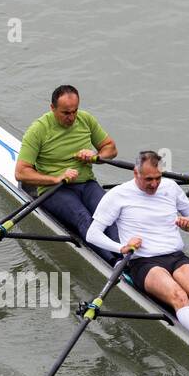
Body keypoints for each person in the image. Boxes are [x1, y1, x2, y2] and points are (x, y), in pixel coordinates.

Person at [86, 151, 189, 350]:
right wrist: (121, 247)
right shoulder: (117, 195)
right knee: (178, 295)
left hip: (175, 256)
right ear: (135, 174)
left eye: (158, 178)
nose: (154, 184)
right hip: (143, 262)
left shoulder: (170, 187)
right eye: (148, 179)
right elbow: (92, 234)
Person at [15, 85, 120, 262]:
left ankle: (125, 255)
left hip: (86, 184)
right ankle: (114, 263)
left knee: (109, 214)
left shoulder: (85, 119)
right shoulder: (38, 130)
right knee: (83, 218)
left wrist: (96, 156)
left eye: (74, 111)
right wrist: (56, 178)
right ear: (52, 108)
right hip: (54, 190)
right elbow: (21, 172)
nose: (71, 117)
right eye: (65, 113)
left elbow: (111, 148)